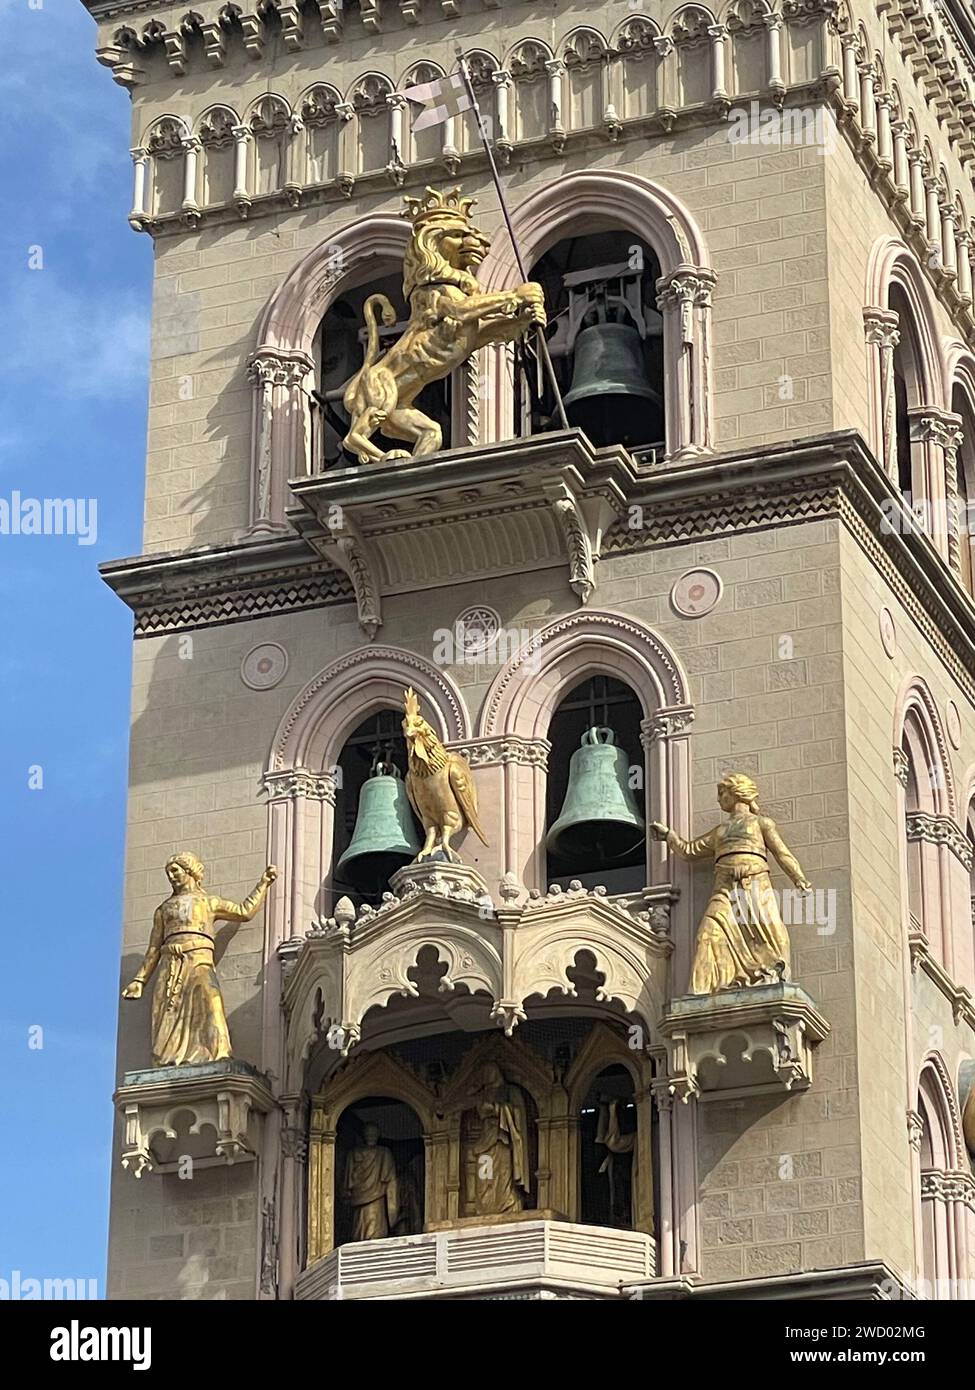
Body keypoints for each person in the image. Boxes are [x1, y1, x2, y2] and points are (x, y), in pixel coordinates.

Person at [651, 773, 812, 995]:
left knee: (769, 930)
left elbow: (782, 854)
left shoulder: (761, 823)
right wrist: (669, 836)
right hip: (724, 889)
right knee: (707, 933)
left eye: (722, 794)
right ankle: (702, 992)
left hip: (754, 884)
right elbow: (690, 850)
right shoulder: (720, 831)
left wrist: (799, 878)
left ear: (737, 793)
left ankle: (776, 973)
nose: (719, 800)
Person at [122, 853, 276, 1066]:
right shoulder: (164, 909)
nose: (171, 876)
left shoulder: (208, 902)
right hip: (171, 965)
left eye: (175, 871)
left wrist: (263, 884)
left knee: (211, 1001)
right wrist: (139, 981)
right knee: (169, 1012)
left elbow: (244, 912)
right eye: (168, 873)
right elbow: (154, 949)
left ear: (190, 871)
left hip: (199, 960)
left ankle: (219, 1053)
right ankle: (169, 1060)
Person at [344, 1123, 399, 1241]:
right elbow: (348, 1180)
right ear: (364, 1135)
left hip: (376, 1197)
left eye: (373, 1133)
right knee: (360, 1229)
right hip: (358, 1198)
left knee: (373, 1230)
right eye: (368, 1133)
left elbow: (390, 1179)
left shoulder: (384, 1153)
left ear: (378, 1135)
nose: (370, 1136)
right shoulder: (354, 1153)